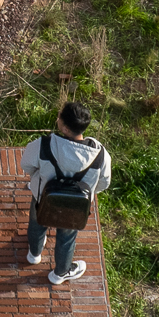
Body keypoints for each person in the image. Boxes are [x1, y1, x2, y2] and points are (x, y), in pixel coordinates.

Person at [26, 101, 109, 287]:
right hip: (75, 206)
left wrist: (36, 180)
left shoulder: (44, 144)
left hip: (42, 198)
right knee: (67, 237)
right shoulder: (100, 154)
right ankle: (60, 273)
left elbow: (27, 164)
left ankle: (34, 254)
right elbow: (104, 182)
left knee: (36, 223)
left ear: (63, 127)